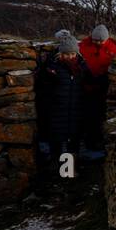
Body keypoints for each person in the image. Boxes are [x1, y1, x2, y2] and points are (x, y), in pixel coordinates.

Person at [36, 30, 87, 165]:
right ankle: (57, 169)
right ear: (60, 53)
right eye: (66, 54)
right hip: (57, 111)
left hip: (75, 111)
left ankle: (69, 171)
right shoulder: (52, 67)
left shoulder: (82, 67)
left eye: (73, 54)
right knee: (57, 141)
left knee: (73, 141)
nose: (70, 57)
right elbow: (43, 89)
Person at [78, 24, 116, 159]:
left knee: (101, 116)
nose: (98, 43)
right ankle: (88, 144)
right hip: (85, 87)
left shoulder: (113, 48)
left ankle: (98, 143)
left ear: (106, 39)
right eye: (95, 40)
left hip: (103, 88)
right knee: (86, 116)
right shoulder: (83, 46)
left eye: (101, 41)